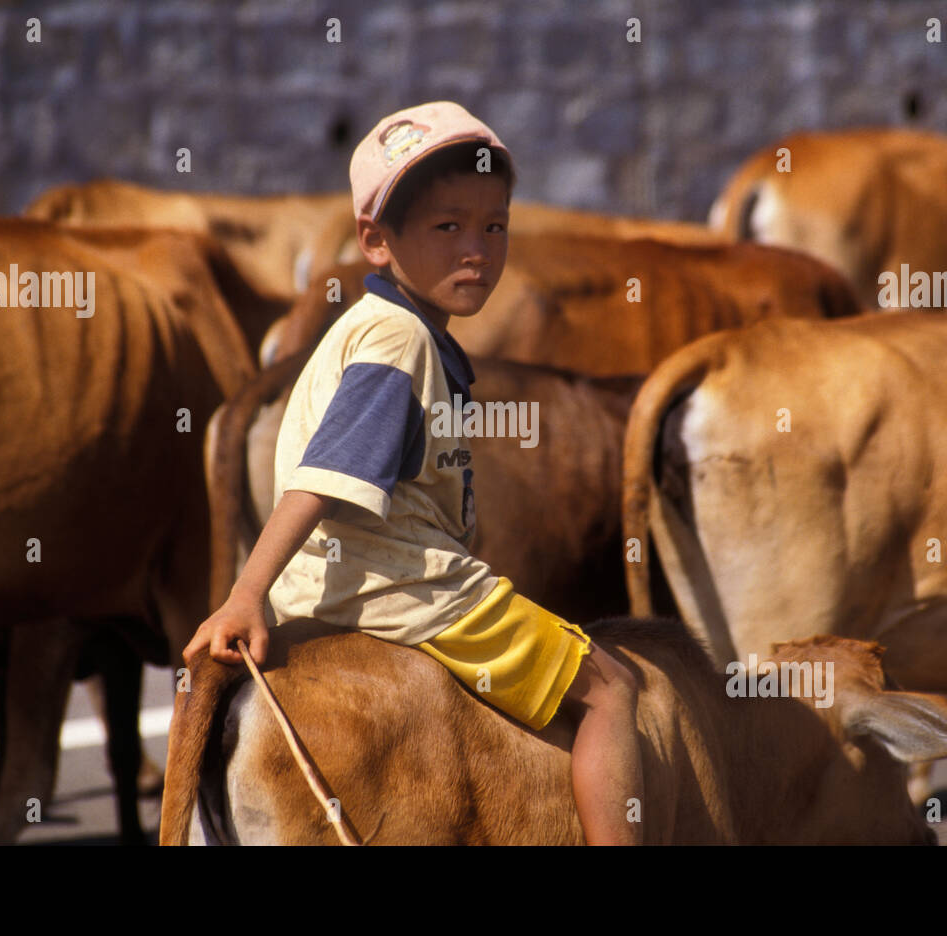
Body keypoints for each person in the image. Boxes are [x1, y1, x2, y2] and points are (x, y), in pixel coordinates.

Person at [183, 101, 644, 845]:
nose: (477, 251)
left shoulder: (382, 329)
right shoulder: (397, 341)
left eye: (494, 227)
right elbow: (328, 475)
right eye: (447, 227)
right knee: (613, 691)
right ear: (376, 241)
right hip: (403, 589)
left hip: (338, 587)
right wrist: (244, 595)